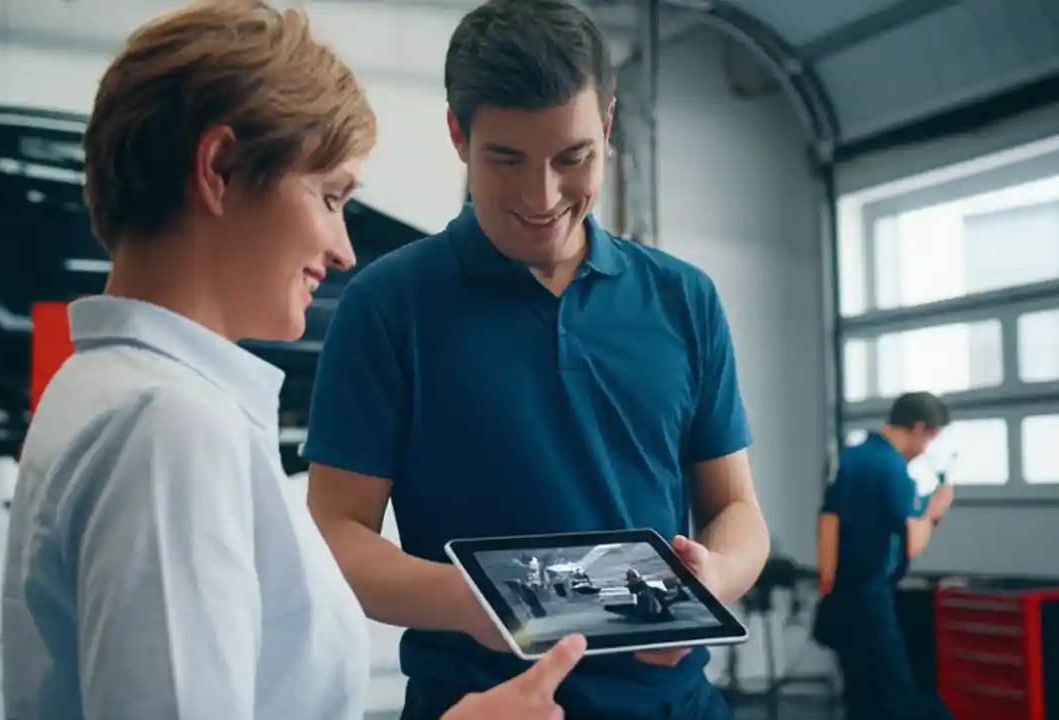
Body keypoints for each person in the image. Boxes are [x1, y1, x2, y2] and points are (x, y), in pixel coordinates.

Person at [0, 2, 589, 719]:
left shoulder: (103, 387)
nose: (343, 249)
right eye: (330, 196)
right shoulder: (170, 427)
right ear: (219, 169)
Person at [303, 1, 770, 717]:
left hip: (676, 705)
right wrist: (467, 602)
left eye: (573, 158)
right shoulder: (387, 306)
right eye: (507, 159)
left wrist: (715, 575)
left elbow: (737, 507)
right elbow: (336, 532)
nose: (542, 196)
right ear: (459, 134)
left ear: (608, 126)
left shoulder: (684, 300)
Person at [813, 392, 956, 720]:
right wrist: (934, 511)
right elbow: (911, 543)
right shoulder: (894, 469)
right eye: (931, 437)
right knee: (898, 697)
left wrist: (827, 580)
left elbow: (828, 521)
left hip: (842, 596)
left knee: (860, 696)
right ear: (920, 428)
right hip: (871, 599)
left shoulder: (849, 458)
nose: (926, 449)